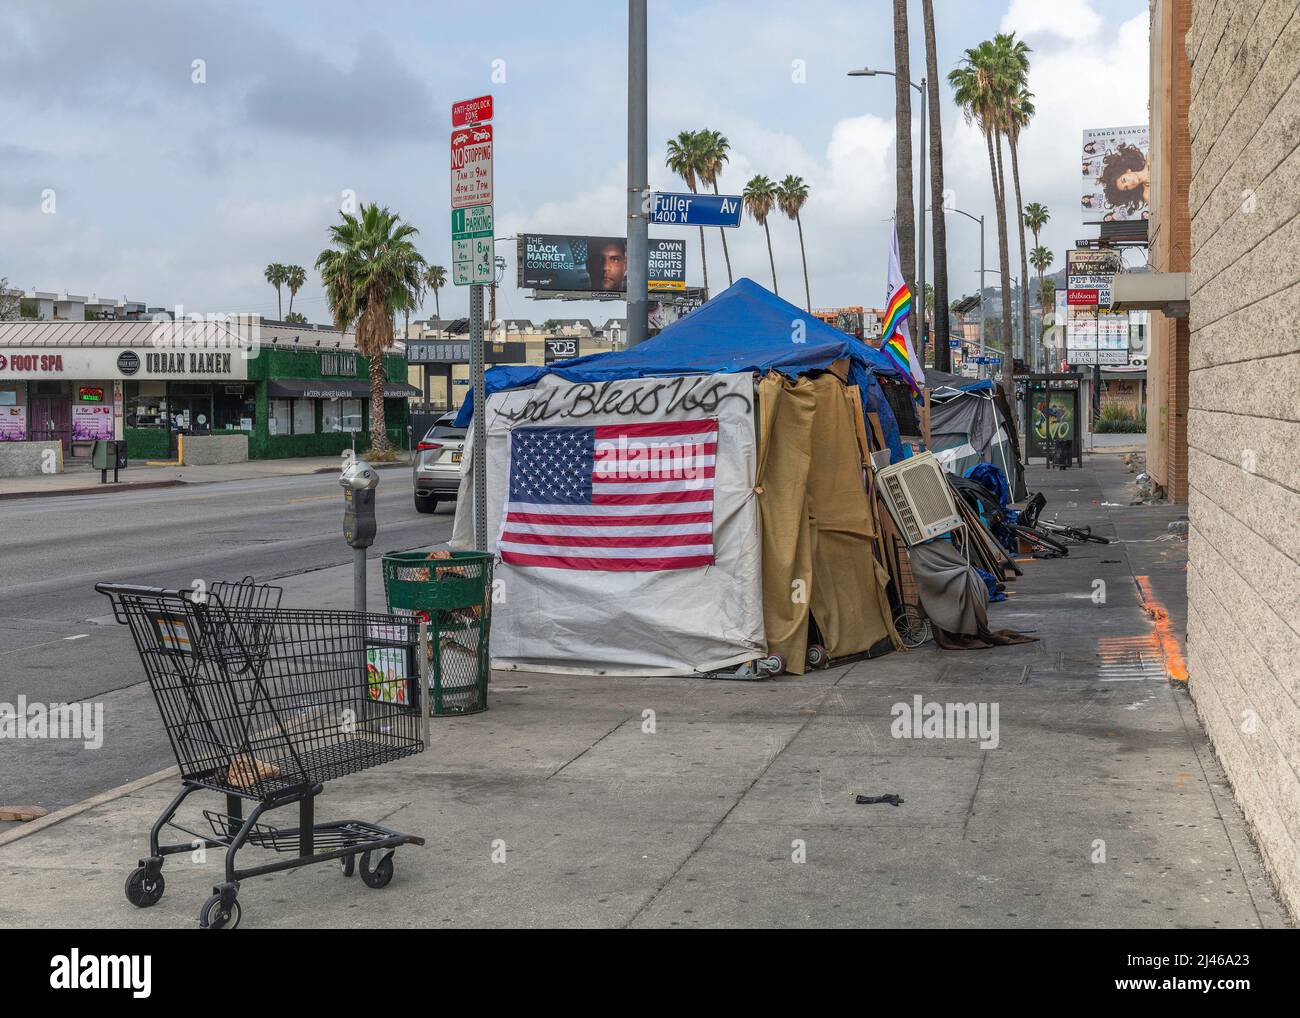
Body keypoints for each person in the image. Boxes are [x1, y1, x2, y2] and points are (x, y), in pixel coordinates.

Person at [1098, 142, 1150, 213]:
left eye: (1124, 180)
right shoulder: (1148, 195)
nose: (1129, 184)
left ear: (1127, 170)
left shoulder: (1150, 157)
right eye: (1126, 188)